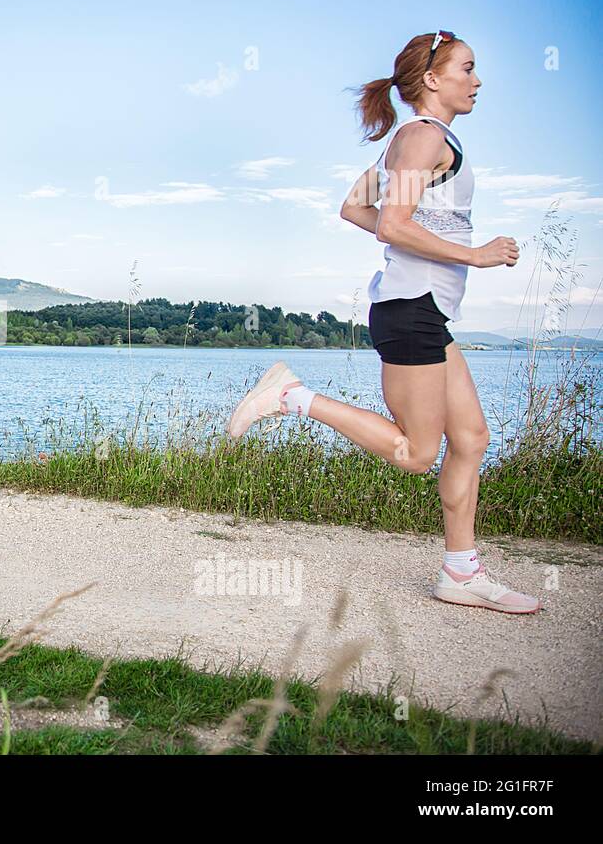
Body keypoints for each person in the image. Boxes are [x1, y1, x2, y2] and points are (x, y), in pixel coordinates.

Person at [226, 31, 539, 614]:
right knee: (418, 453)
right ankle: (293, 397)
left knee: (470, 438)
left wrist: (430, 243)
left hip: (425, 311)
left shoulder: (408, 142)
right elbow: (392, 224)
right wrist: (475, 253)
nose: (477, 81)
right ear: (432, 78)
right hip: (411, 309)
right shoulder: (423, 140)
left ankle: (460, 572)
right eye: (467, 69)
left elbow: (355, 209)